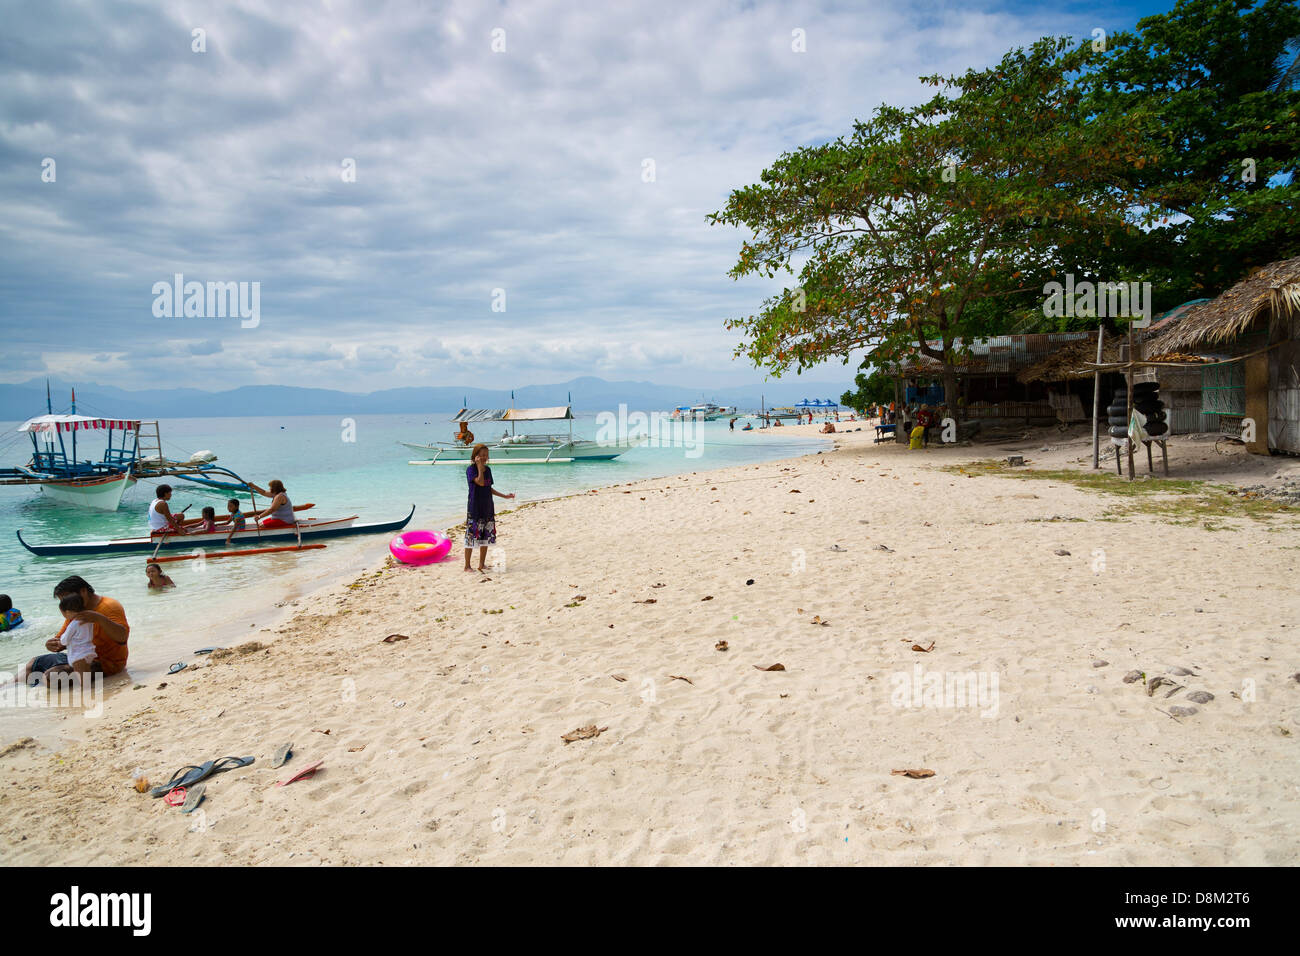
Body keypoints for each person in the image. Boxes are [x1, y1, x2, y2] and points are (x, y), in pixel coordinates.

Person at [20, 576, 129, 685]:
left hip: (106, 663)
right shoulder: (74, 610)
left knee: (51, 677)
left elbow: (123, 637)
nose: (65, 605)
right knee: (33, 663)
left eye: (66, 599)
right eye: (62, 601)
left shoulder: (109, 606)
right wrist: (52, 644)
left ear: (83, 591)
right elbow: (61, 640)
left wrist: (100, 619)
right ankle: (6, 687)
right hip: (79, 656)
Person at [464, 444, 514, 573]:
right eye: (481, 455)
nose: (484, 457)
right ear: (475, 456)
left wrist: (505, 496)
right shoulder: (471, 470)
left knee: (485, 537)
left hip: (487, 507)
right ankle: (467, 566)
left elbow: (488, 488)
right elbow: (480, 482)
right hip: (474, 508)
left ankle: (482, 564)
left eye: (486, 455)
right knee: (471, 537)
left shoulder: (489, 470)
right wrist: (480, 468)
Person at [55, 594, 98, 683]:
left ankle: (86, 691)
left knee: (81, 677)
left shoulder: (73, 624)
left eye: (63, 613)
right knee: (87, 674)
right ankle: (90, 689)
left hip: (78, 654)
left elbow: (64, 640)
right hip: (89, 651)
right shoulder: (88, 621)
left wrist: (60, 640)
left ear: (68, 612)